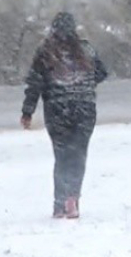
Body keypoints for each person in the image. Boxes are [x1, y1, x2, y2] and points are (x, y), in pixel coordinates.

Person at [20, 11, 108, 219]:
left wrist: (27, 111)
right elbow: (102, 73)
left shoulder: (45, 52)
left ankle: (60, 203)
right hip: (84, 108)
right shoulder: (87, 49)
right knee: (78, 155)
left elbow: (35, 83)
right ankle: (72, 199)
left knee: (61, 156)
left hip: (57, 109)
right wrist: (85, 85)